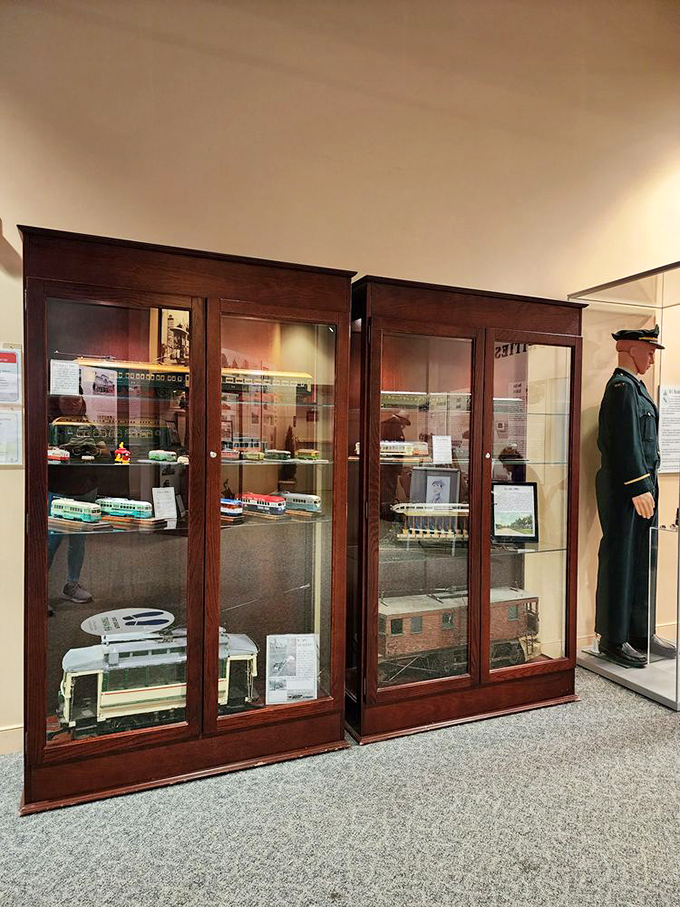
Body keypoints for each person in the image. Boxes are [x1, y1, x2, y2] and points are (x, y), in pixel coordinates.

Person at [595, 325, 676, 668]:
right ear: (630, 349)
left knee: (644, 560)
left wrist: (647, 486)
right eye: (649, 352)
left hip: (644, 487)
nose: (652, 359)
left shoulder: (637, 388)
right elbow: (624, 442)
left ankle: (641, 630)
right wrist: (638, 487)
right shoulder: (621, 389)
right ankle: (613, 638)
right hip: (627, 489)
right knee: (621, 559)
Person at [48, 394, 100, 606]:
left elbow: (105, 451)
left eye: (76, 400)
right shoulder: (50, 423)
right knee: (50, 541)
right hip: (58, 488)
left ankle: (72, 584)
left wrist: (94, 449)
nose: (72, 404)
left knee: (78, 541)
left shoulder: (88, 425)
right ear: (57, 401)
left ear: (82, 402)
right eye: (66, 399)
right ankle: (38, 590)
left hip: (86, 487)